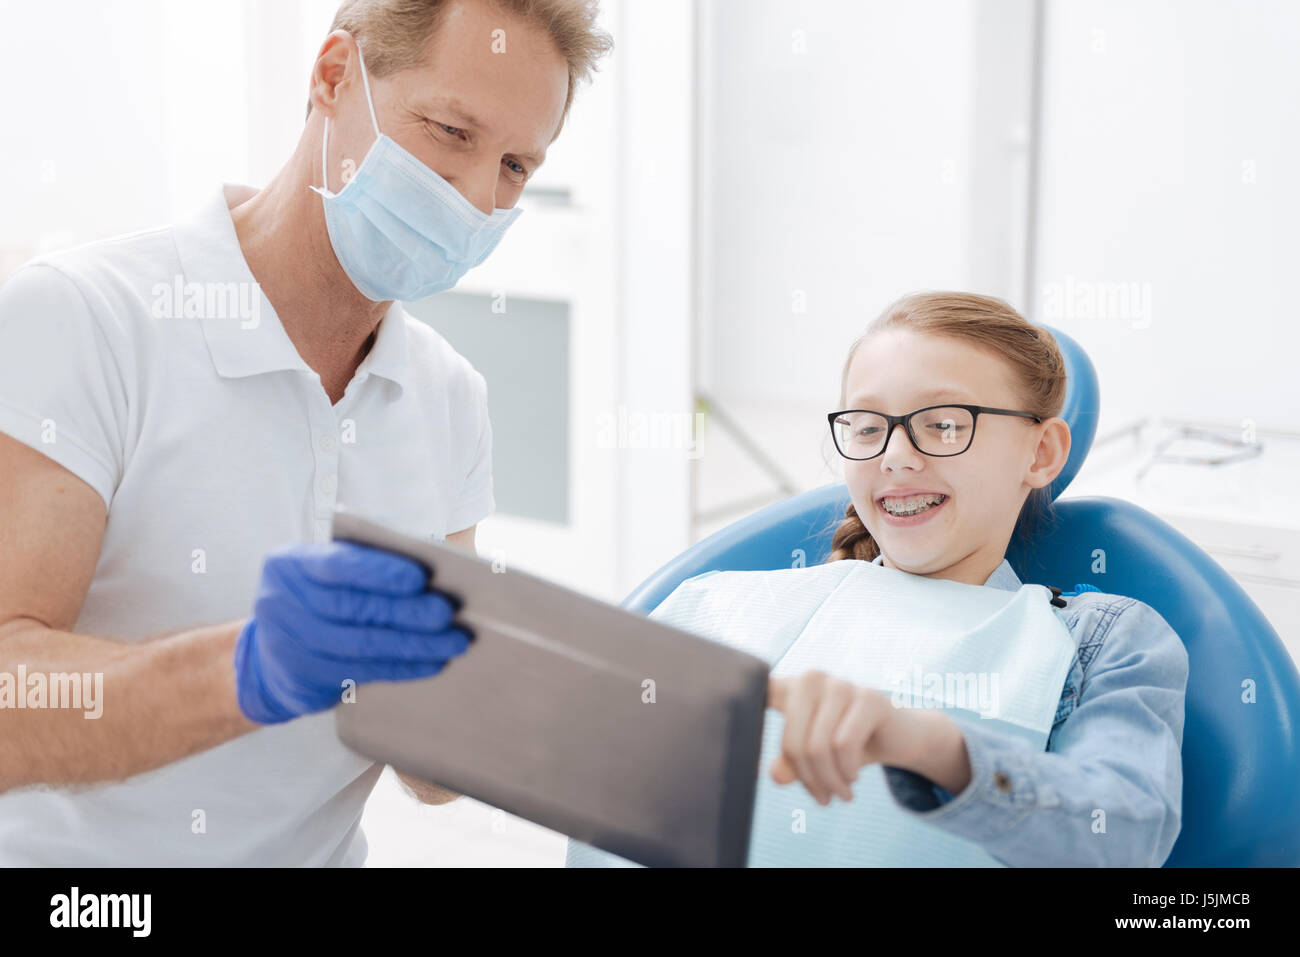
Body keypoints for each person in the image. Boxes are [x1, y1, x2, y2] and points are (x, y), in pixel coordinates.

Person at [0, 0, 612, 865]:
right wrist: (243, 670)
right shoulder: (84, 320)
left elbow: (430, 762)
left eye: (515, 165)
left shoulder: (447, 398)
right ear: (332, 76)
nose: (477, 200)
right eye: (449, 131)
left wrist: (525, 705)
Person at [567, 291, 1189, 867]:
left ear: (1042, 453)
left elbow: (1125, 834)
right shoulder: (715, 605)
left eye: (944, 424)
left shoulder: (1101, 642)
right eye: (867, 427)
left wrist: (924, 745)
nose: (895, 455)